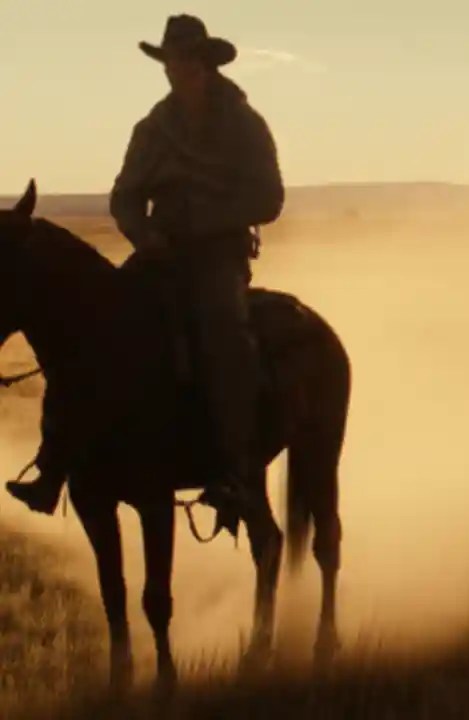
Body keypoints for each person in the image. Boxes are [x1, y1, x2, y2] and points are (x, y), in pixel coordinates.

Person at [7, 15, 284, 538]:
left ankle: (235, 469)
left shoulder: (244, 124)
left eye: (186, 60)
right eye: (170, 61)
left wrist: (206, 221)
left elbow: (269, 198)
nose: (177, 70)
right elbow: (124, 195)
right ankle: (55, 464)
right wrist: (144, 235)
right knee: (92, 330)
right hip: (161, 254)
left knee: (224, 333)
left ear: (206, 63)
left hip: (218, 258)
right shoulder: (152, 129)